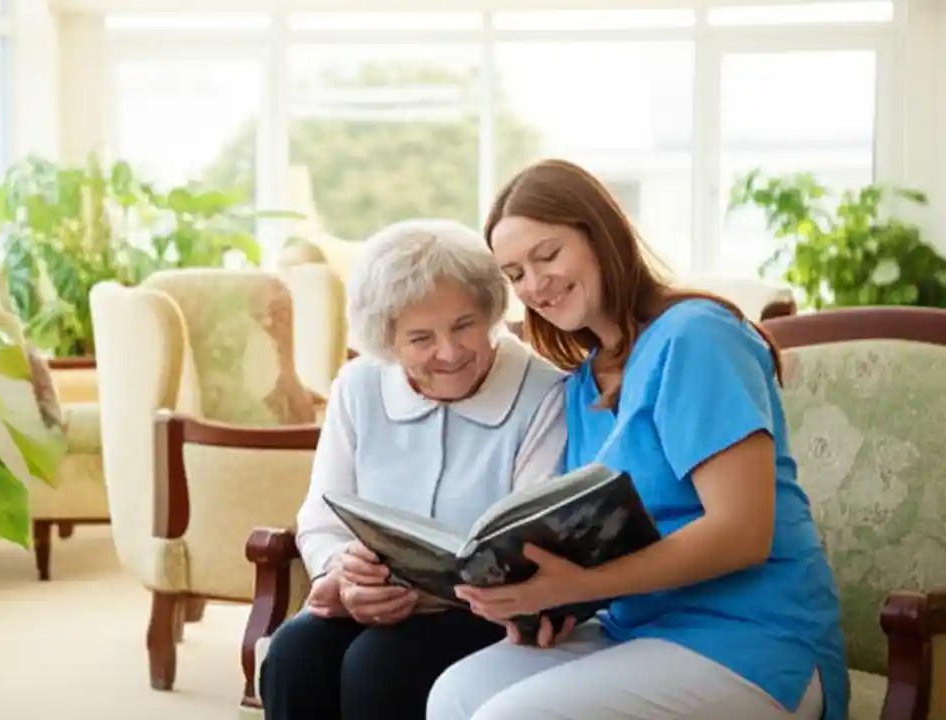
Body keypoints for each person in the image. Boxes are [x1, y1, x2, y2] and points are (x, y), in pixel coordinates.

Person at [425, 158, 849, 720]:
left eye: (547, 255)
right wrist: (535, 601)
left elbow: (743, 533)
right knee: (453, 694)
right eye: (515, 274)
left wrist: (576, 585)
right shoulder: (583, 384)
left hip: (753, 640)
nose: (535, 284)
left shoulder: (696, 337)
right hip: (633, 628)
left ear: (600, 235)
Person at [258, 218, 569, 720]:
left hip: (483, 610)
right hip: (370, 597)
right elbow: (322, 517)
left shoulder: (544, 392)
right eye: (421, 338)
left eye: (465, 325)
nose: (449, 353)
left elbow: (529, 544)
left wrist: (418, 592)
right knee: (296, 653)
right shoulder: (358, 386)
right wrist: (343, 574)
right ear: (387, 340)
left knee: (380, 664)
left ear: (491, 311)